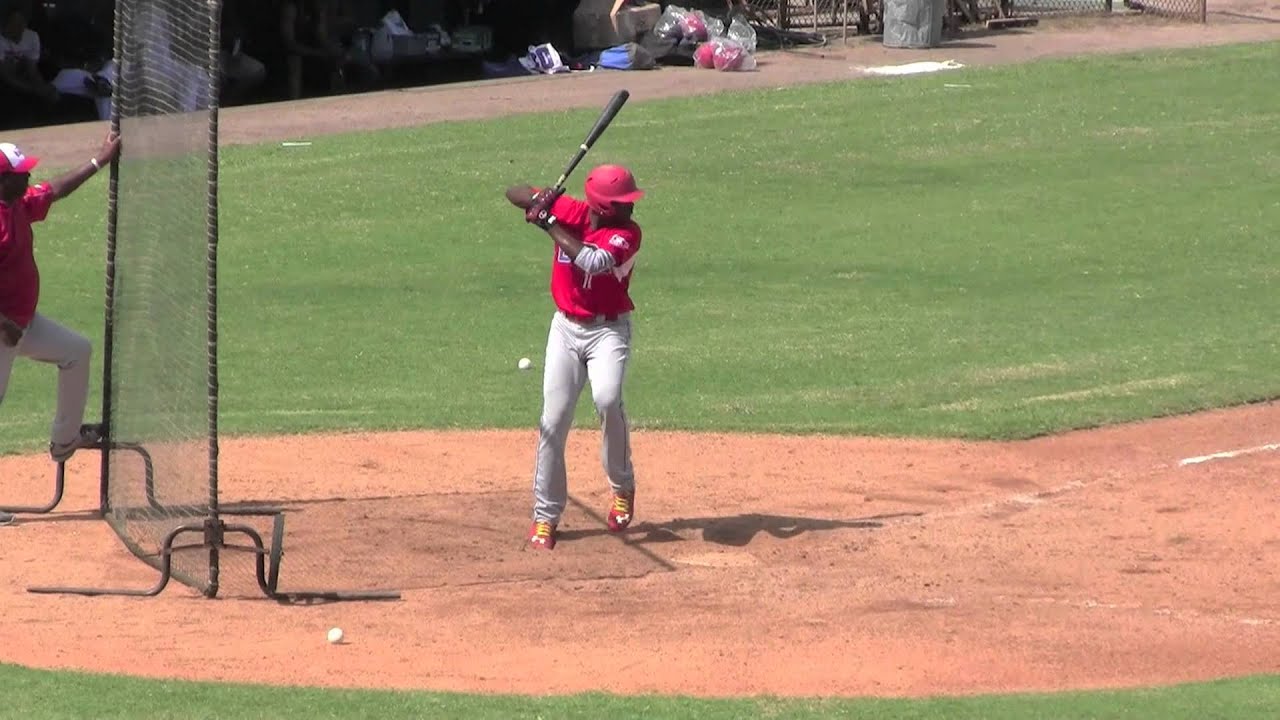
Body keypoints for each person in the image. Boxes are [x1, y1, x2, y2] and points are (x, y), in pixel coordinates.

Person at [505, 165, 646, 550]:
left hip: (608, 331)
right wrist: (539, 199)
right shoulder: (572, 212)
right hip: (565, 329)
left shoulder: (627, 234)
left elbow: (592, 261)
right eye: (623, 204)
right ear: (602, 205)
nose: (631, 209)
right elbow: (513, 190)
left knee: (606, 400)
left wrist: (548, 222)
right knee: (554, 420)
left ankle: (622, 485)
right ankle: (545, 516)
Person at [0, 133, 121, 526]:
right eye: (20, 174)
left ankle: (65, 440)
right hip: (2, 331)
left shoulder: (17, 204)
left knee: (76, 351)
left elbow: (55, 190)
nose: (27, 177)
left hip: (23, 325)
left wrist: (99, 159)